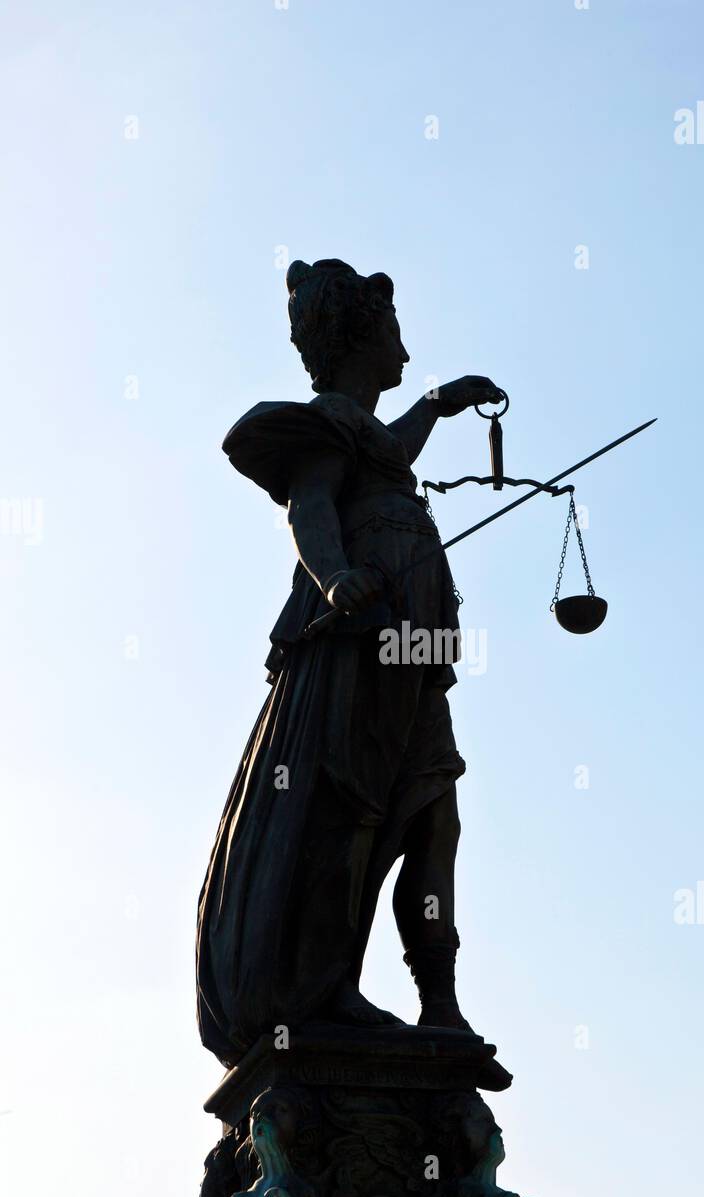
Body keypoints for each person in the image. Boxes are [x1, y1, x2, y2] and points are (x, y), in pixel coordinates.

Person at [196, 257, 505, 1065]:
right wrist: (335, 579)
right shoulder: (326, 426)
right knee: (352, 812)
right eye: (394, 331)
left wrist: (438, 404)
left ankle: (439, 1001)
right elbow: (310, 505)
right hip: (358, 642)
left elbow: (389, 447)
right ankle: (322, 986)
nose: (406, 347)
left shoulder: (367, 433)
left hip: (415, 647)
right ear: (363, 338)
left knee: (435, 809)